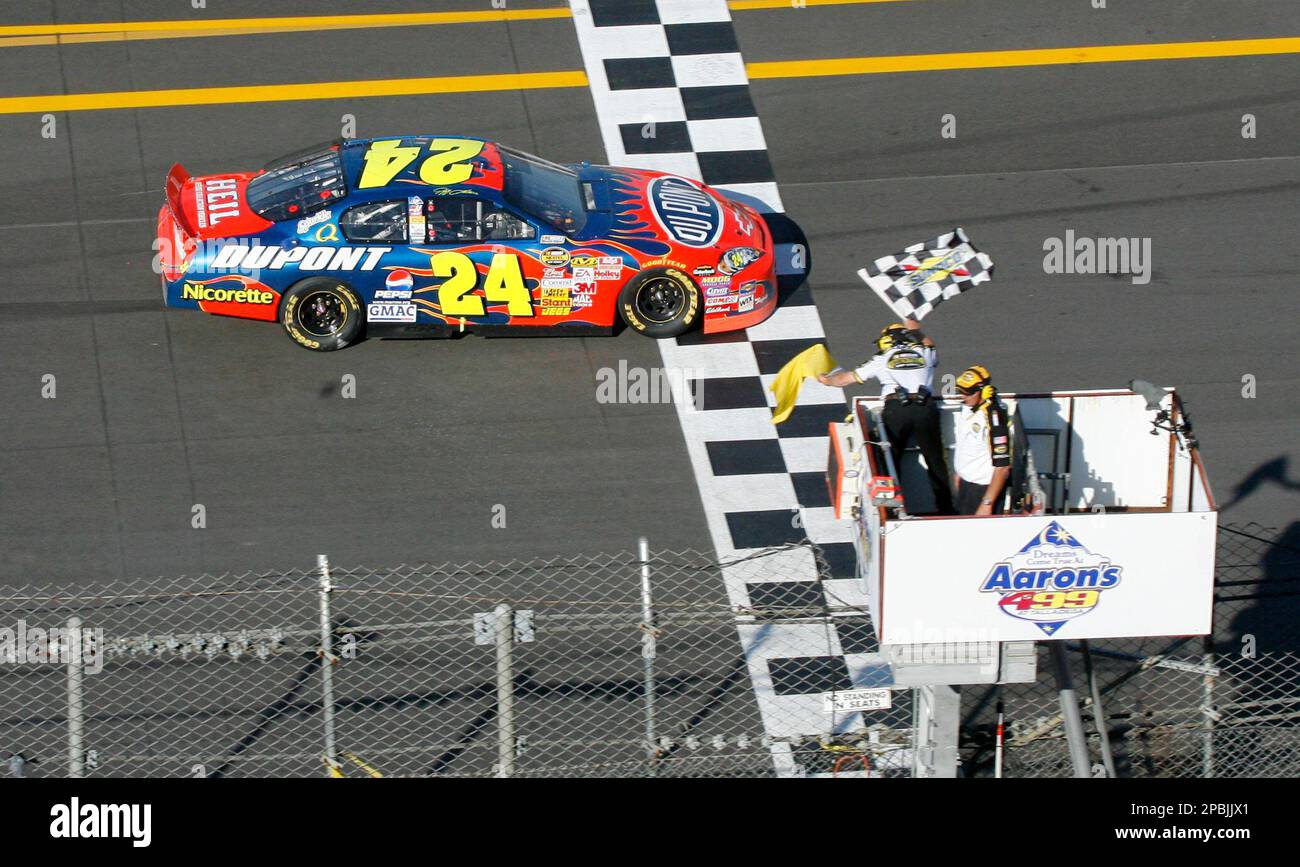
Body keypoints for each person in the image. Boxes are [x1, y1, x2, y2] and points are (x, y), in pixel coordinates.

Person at [819, 317, 955, 515]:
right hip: (925, 408)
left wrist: (826, 380)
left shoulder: (882, 359)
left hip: (896, 409)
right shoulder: (924, 352)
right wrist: (916, 331)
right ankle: (946, 509)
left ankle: (891, 508)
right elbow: (929, 343)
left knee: (888, 458)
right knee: (936, 461)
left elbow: (846, 379)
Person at [952, 365, 1011, 516]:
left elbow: (1003, 468)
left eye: (968, 392)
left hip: (983, 490)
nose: (963, 396)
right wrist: (959, 473)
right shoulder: (967, 406)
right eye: (960, 391)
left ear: (983, 391)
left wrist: (987, 503)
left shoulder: (994, 421)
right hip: (966, 483)